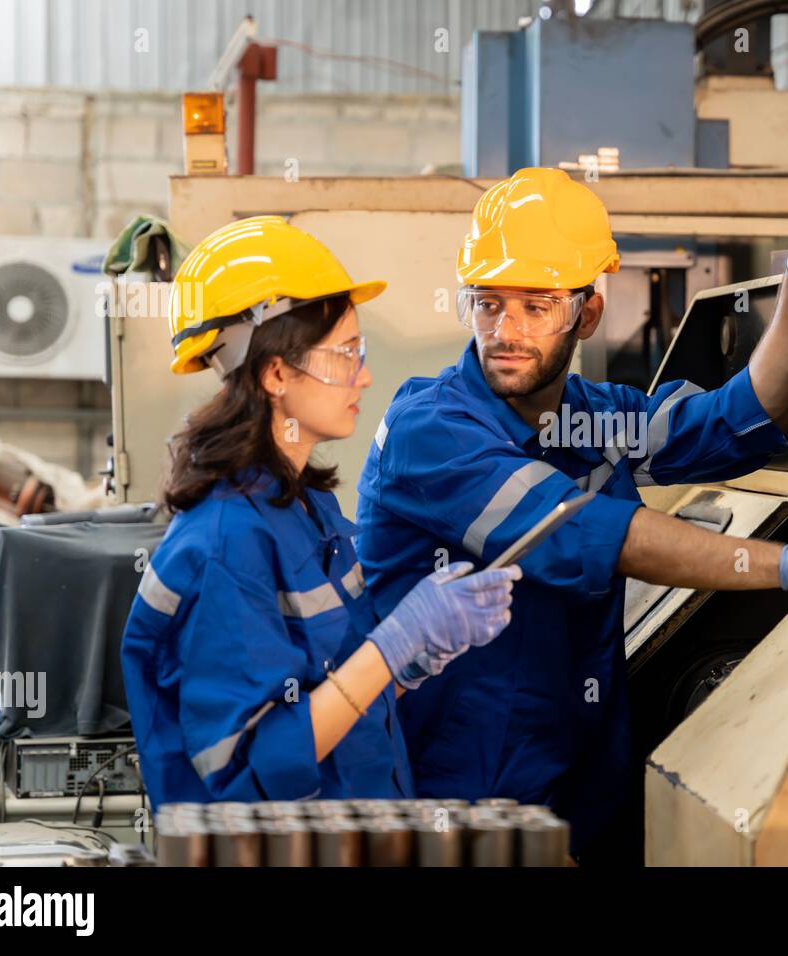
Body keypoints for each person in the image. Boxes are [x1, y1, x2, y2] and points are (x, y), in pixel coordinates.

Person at [354, 168, 788, 855]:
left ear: (586, 314)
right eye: (489, 303)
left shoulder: (594, 416)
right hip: (454, 807)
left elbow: (741, 418)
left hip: (580, 793)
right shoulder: (430, 429)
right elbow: (593, 533)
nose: (505, 329)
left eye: (536, 305)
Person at [120, 216, 520, 807]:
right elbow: (245, 784)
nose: (364, 375)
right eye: (345, 354)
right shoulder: (225, 545)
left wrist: (406, 663)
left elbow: (331, 697)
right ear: (276, 371)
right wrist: (393, 644)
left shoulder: (307, 510)